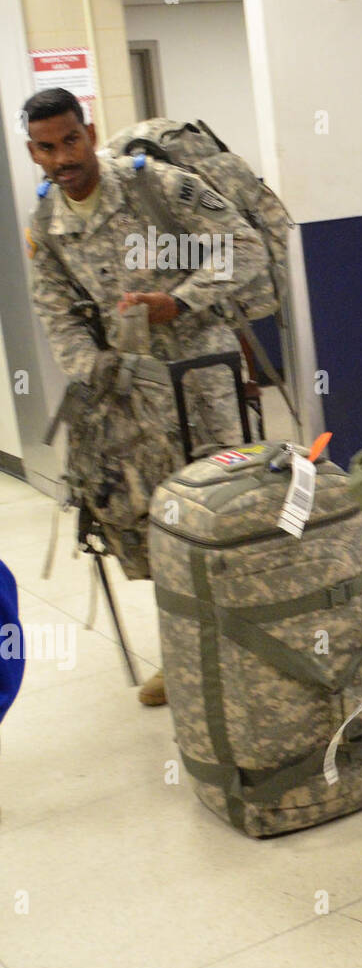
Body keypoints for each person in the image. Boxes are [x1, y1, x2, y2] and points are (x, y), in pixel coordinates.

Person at [23, 87, 265, 705]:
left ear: (88, 130)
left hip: (201, 380)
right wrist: (94, 369)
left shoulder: (159, 184)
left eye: (70, 140)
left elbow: (245, 245)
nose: (62, 157)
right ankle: (187, 657)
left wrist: (179, 301)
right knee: (158, 522)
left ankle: (258, 644)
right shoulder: (46, 225)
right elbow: (57, 316)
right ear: (33, 152)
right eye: (47, 148)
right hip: (128, 396)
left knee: (225, 509)